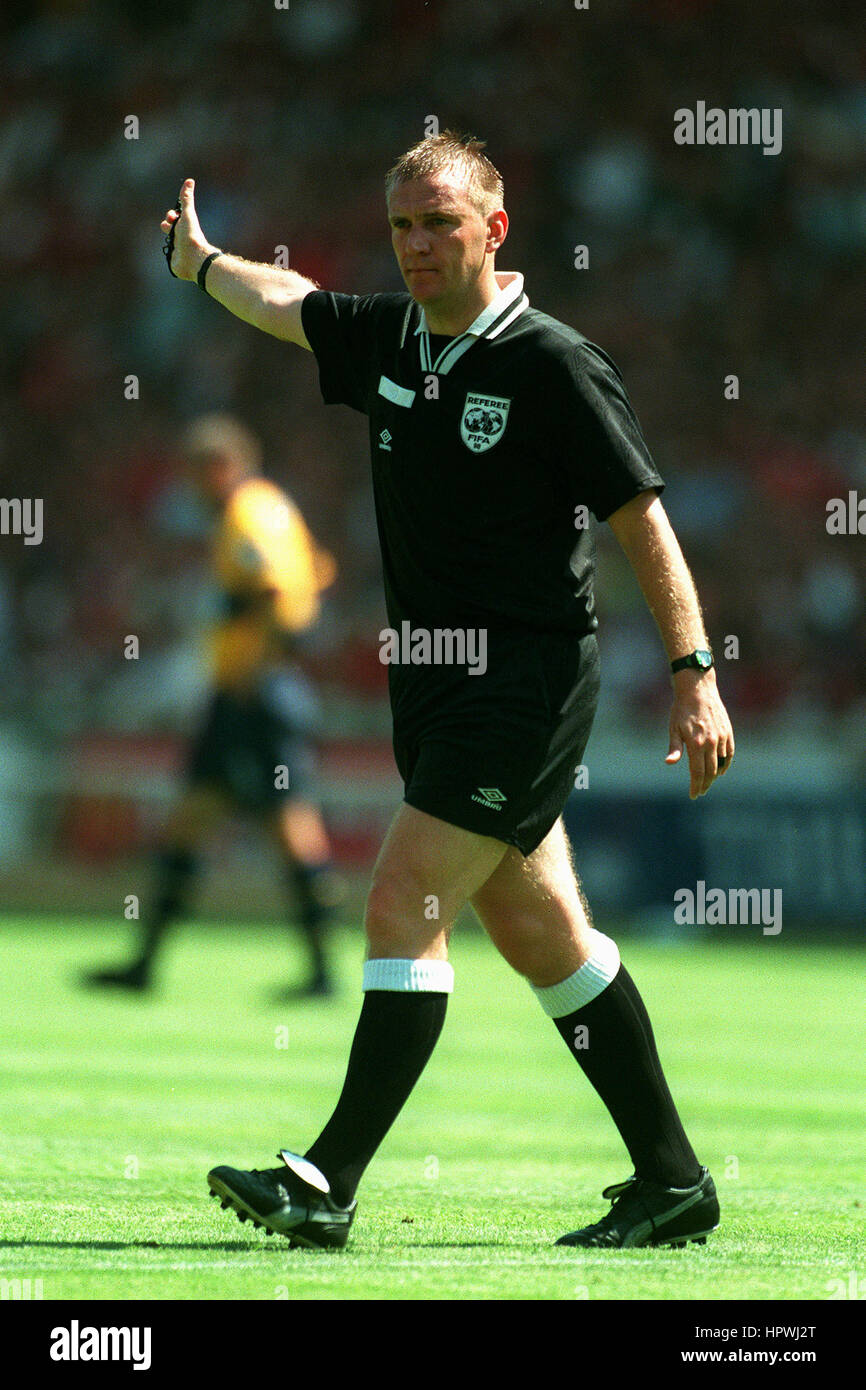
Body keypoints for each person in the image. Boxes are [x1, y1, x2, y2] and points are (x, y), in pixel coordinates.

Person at [160, 130, 735, 1250]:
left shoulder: (552, 362)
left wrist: (693, 674)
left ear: (494, 228)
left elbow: (641, 518)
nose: (417, 246)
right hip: (430, 687)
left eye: (439, 223)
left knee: (402, 899)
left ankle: (325, 1178)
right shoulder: (389, 339)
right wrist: (203, 266)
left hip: (518, 683)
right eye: (401, 227)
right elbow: (292, 300)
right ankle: (672, 1180)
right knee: (541, 934)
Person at [85, 413, 341, 999]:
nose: (189, 488)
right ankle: (146, 963)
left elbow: (279, 595)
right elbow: (314, 574)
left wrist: (256, 672)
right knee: (192, 822)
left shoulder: (249, 513)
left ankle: (323, 973)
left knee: (290, 830)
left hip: (256, 694)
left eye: (195, 474)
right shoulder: (265, 509)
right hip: (248, 692)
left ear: (220, 466)